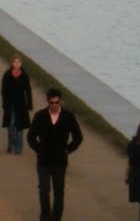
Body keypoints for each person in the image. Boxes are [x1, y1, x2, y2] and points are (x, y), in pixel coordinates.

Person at [27, 87, 84, 221]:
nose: (54, 105)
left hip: (60, 161)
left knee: (59, 192)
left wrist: (68, 149)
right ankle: (45, 217)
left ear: (60, 102)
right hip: (44, 161)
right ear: (48, 102)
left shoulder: (68, 116)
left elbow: (78, 137)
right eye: (52, 103)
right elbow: (31, 137)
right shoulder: (40, 116)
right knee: (44, 190)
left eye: (57, 102)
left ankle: (56, 218)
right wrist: (39, 150)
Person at [0, 54, 34, 155]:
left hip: (21, 105)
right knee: (10, 126)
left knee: (19, 127)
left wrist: (30, 104)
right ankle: (11, 144)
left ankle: (18, 149)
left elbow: (28, 91)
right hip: (9, 105)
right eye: (15, 62)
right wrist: (4, 102)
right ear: (12, 63)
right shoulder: (7, 74)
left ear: (21, 63)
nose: (17, 64)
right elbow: (3, 91)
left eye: (19, 62)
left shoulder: (24, 75)